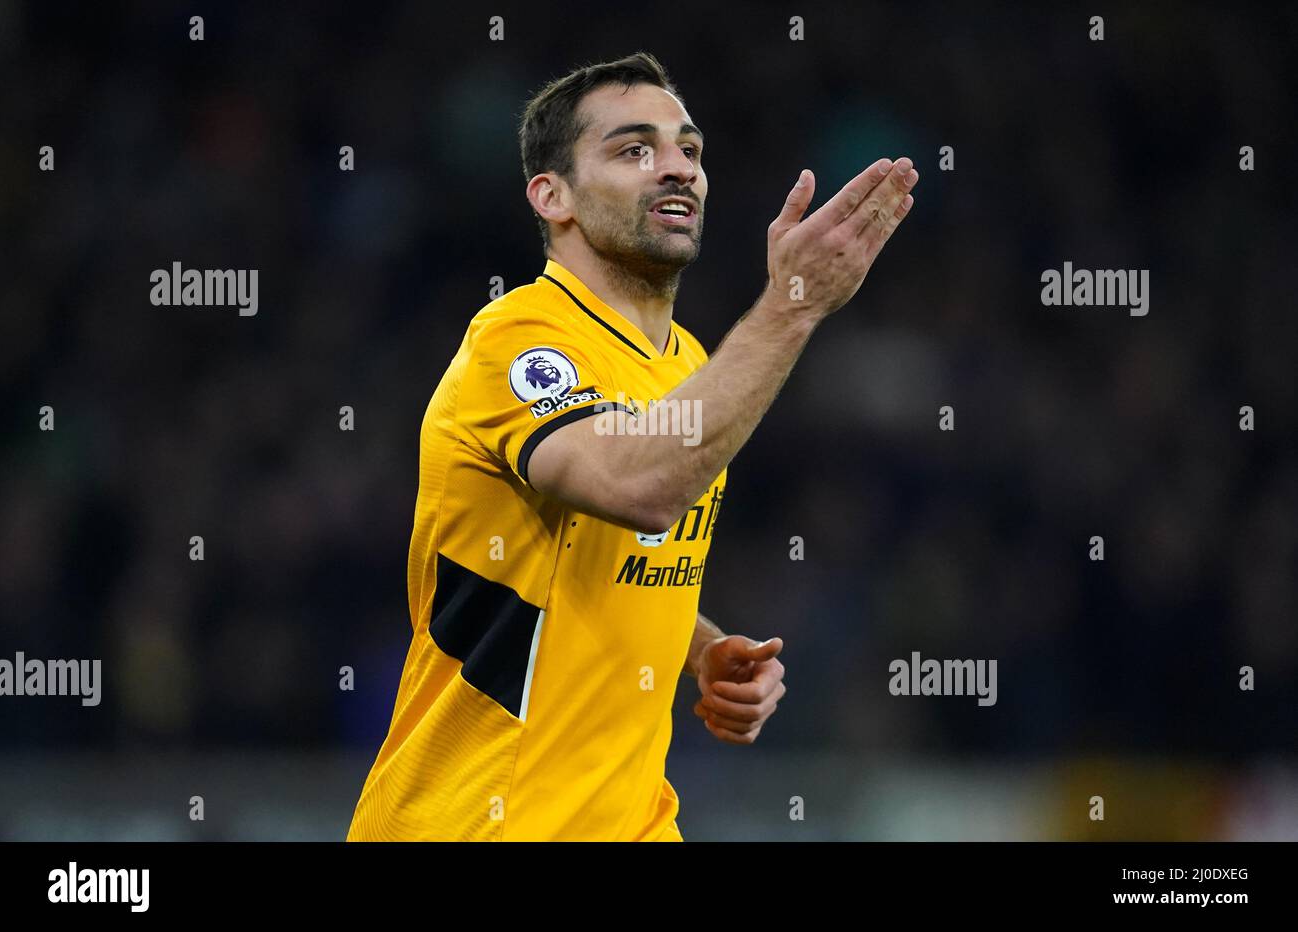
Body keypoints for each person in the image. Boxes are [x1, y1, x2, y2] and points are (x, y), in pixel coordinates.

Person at [347, 51, 918, 841]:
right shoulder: (515, 341)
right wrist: (792, 308)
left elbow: (593, 555)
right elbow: (635, 487)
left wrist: (700, 646)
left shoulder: (687, 364)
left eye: (689, 148)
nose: (676, 168)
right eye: (633, 150)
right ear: (553, 197)